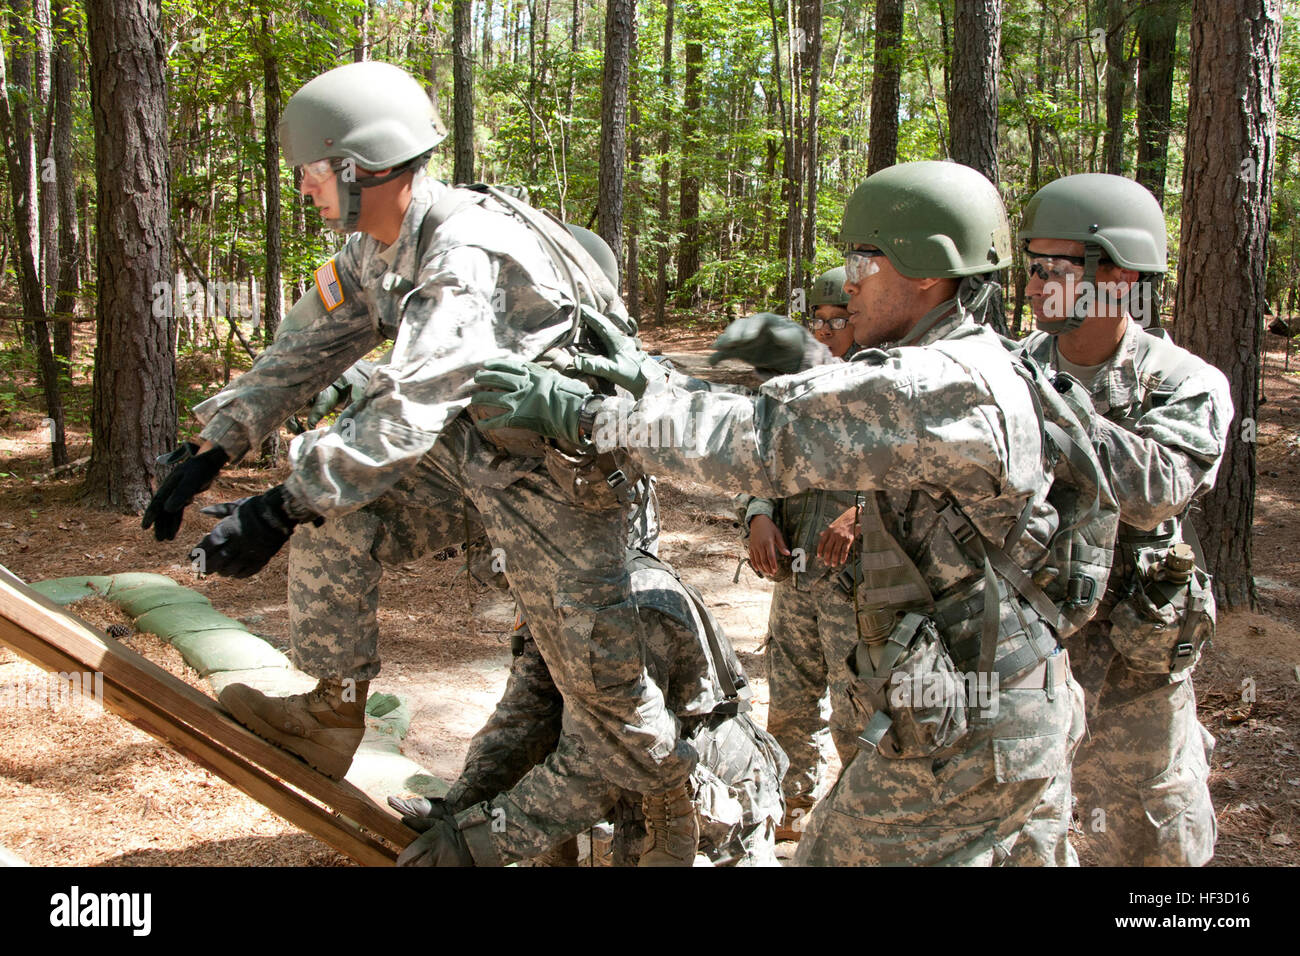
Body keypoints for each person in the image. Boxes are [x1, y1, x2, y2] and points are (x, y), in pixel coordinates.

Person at [468, 160, 1116, 866]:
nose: (852, 277)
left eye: (865, 257)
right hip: (1003, 708)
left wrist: (589, 416)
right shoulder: (965, 363)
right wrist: (656, 377)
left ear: (928, 269)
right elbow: (817, 405)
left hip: (970, 731)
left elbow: (759, 442)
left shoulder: (942, 384)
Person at [140, 61, 700, 865]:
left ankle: (677, 830)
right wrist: (216, 442)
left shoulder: (464, 253)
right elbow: (310, 342)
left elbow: (406, 411)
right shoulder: (382, 244)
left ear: (355, 168)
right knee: (346, 507)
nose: (303, 191)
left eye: (308, 173)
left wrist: (280, 507)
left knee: (607, 707)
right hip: (482, 461)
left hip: (565, 491)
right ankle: (332, 712)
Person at [1018, 173, 1231, 866]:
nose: (1031, 287)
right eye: (1031, 267)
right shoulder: (1008, 367)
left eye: (1052, 269)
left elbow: (1156, 488)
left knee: (1150, 830)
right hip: (1026, 644)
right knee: (1024, 824)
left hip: (1135, 657)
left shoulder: (1181, 382)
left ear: (1116, 274)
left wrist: (1044, 409)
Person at [389, 509, 786, 867]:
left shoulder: (620, 603)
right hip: (639, 786)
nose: (481, 565)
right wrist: (462, 804)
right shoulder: (554, 584)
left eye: (487, 548)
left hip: (707, 809)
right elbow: (526, 714)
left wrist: (474, 842)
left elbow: (594, 770)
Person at [733, 266, 863, 840]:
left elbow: (923, 482)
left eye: (841, 321)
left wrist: (864, 513)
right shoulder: (792, 385)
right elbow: (759, 461)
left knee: (860, 712)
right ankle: (787, 812)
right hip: (795, 574)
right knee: (790, 703)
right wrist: (759, 513)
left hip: (858, 587)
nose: (828, 331)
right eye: (820, 320)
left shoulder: (889, 388)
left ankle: (864, 826)